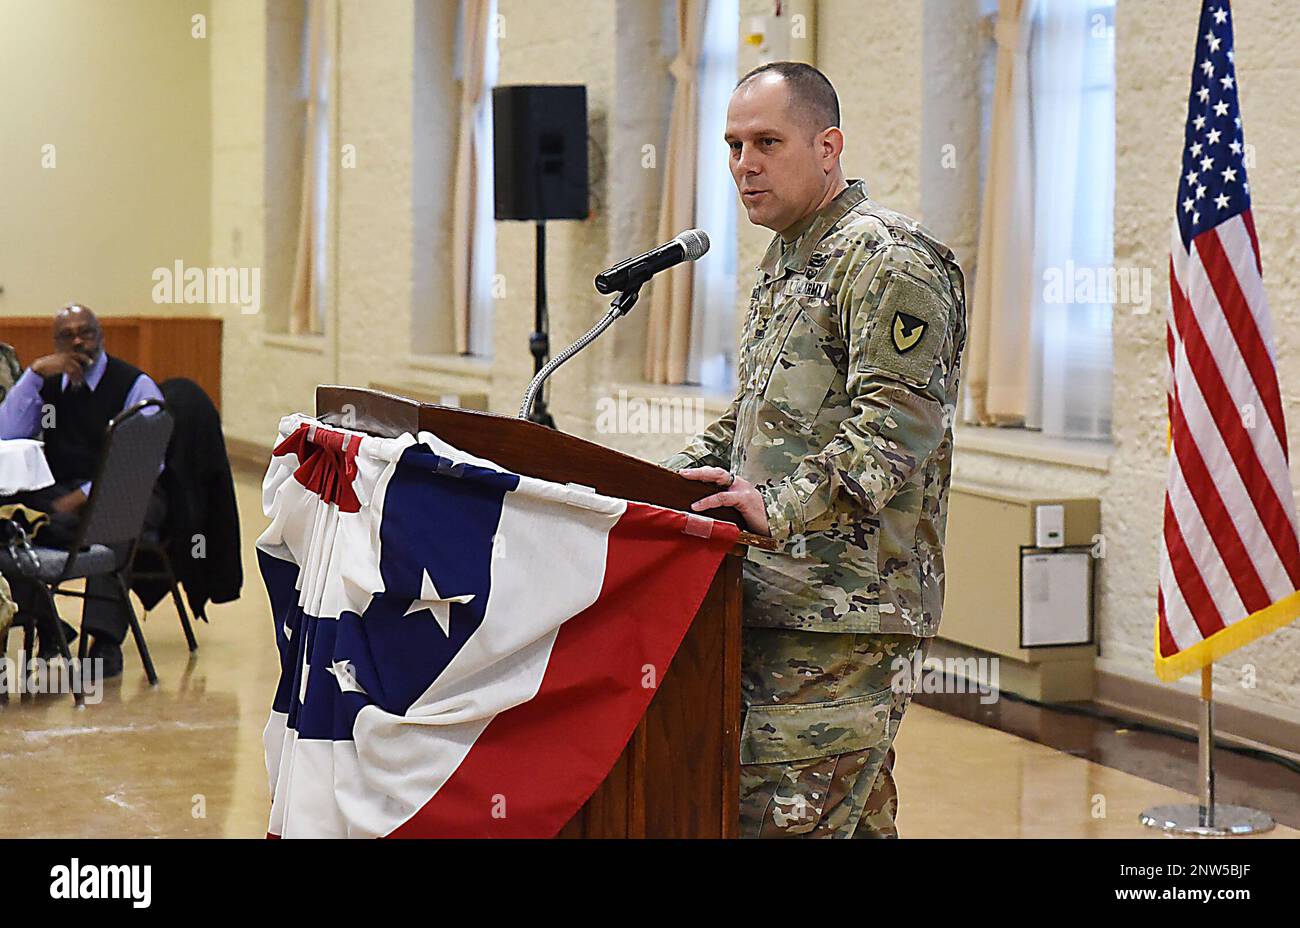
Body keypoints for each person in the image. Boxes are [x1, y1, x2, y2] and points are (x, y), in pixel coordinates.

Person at [661, 62, 967, 837]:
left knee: (775, 820)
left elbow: (898, 426)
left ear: (827, 146)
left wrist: (778, 507)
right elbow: (755, 417)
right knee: (849, 823)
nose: (744, 165)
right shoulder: (794, 256)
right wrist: (652, 487)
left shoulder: (888, 259)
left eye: (767, 141)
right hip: (778, 594)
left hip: (846, 609)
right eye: (732, 145)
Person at [0, 303, 165, 677]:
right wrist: (34, 375)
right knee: (9, 512)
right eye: (66, 336)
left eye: (85, 332)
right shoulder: (49, 385)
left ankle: (104, 640)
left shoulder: (133, 384)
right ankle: (45, 621)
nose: (77, 341)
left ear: (99, 335)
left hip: (130, 490)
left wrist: (84, 496)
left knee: (115, 510)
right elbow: (5, 435)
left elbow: (142, 463)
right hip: (61, 490)